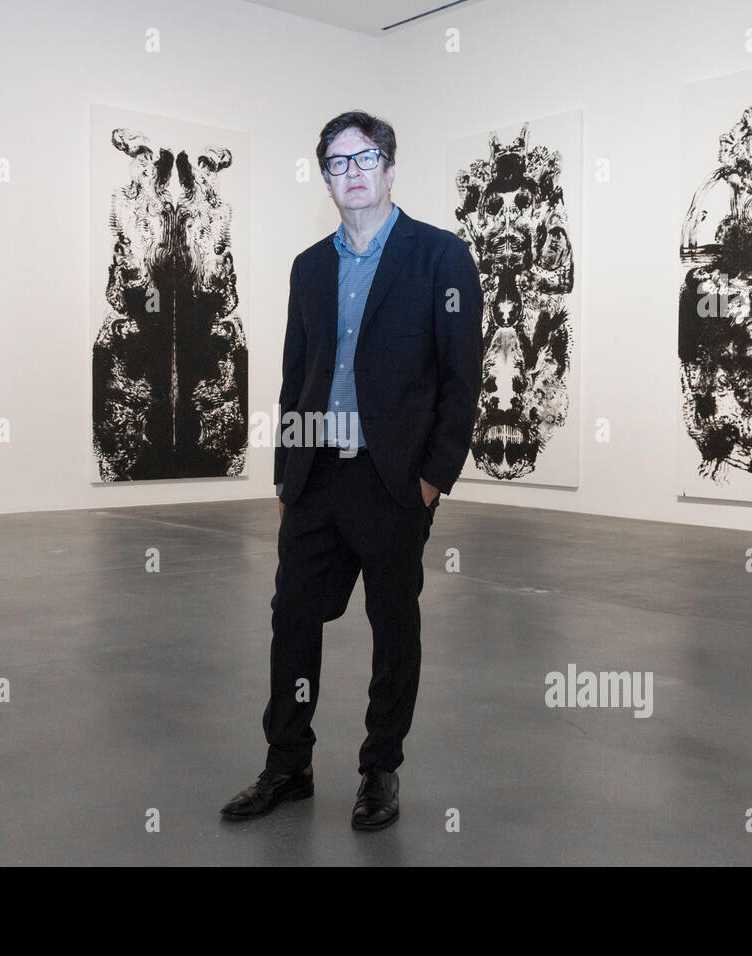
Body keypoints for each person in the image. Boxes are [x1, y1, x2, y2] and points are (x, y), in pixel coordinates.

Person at [220, 110, 483, 830]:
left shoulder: (441, 258)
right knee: (293, 620)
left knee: (392, 627)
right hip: (315, 478)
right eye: (338, 163)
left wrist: (433, 480)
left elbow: (463, 381)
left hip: (392, 482)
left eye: (365, 158)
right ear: (326, 179)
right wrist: (283, 475)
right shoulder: (310, 266)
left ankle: (379, 770)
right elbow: (294, 376)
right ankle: (288, 762)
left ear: (391, 168)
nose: (353, 172)